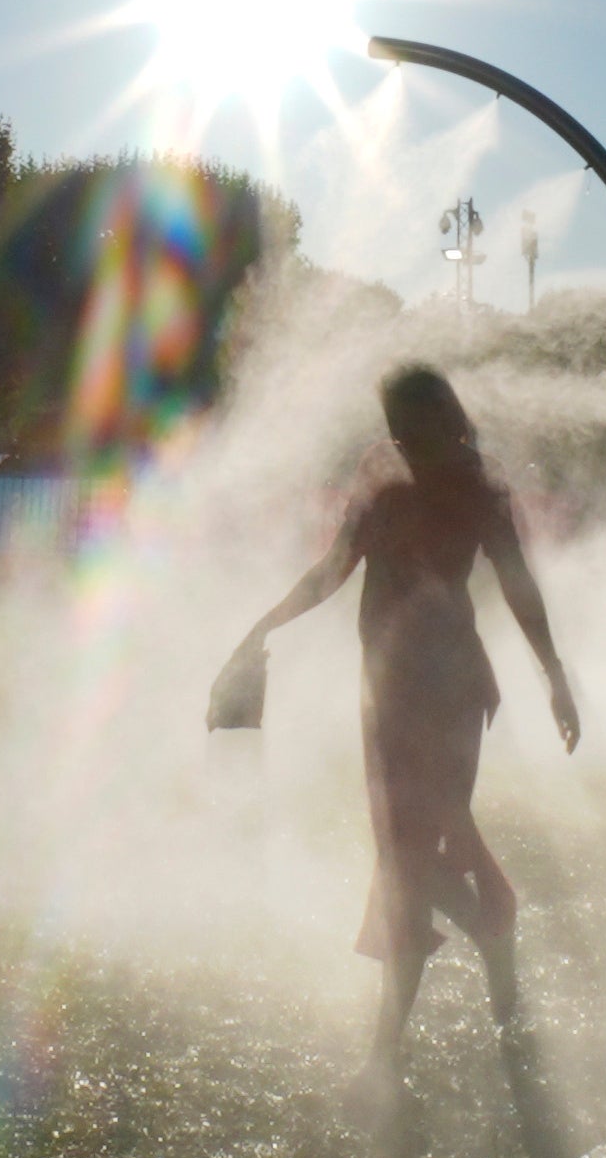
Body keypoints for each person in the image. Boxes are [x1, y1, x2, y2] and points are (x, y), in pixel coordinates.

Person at [225, 367, 581, 1081]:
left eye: (417, 423)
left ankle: (390, 1044)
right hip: (387, 692)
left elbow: (517, 582)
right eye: (396, 425)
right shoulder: (383, 478)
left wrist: (555, 674)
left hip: (449, 689)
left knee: (409, 853)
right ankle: (492, 931)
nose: (405, 437)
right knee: (405, 846)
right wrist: (260, 627)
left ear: (446, 417)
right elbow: (334, 567)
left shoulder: (478, 485)